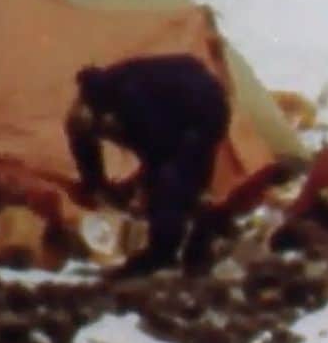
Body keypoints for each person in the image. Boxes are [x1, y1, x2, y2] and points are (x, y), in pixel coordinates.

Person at [65, 54, 229, 275]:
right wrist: (96, 184)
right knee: (175, 180)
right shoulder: (101, 100)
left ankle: (165, 253)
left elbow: (161, 151)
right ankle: (191, 244)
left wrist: (143, 183)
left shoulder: (129, 99)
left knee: (172, 180)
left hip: (203, 111)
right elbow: (85, 145)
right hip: (187, 105)